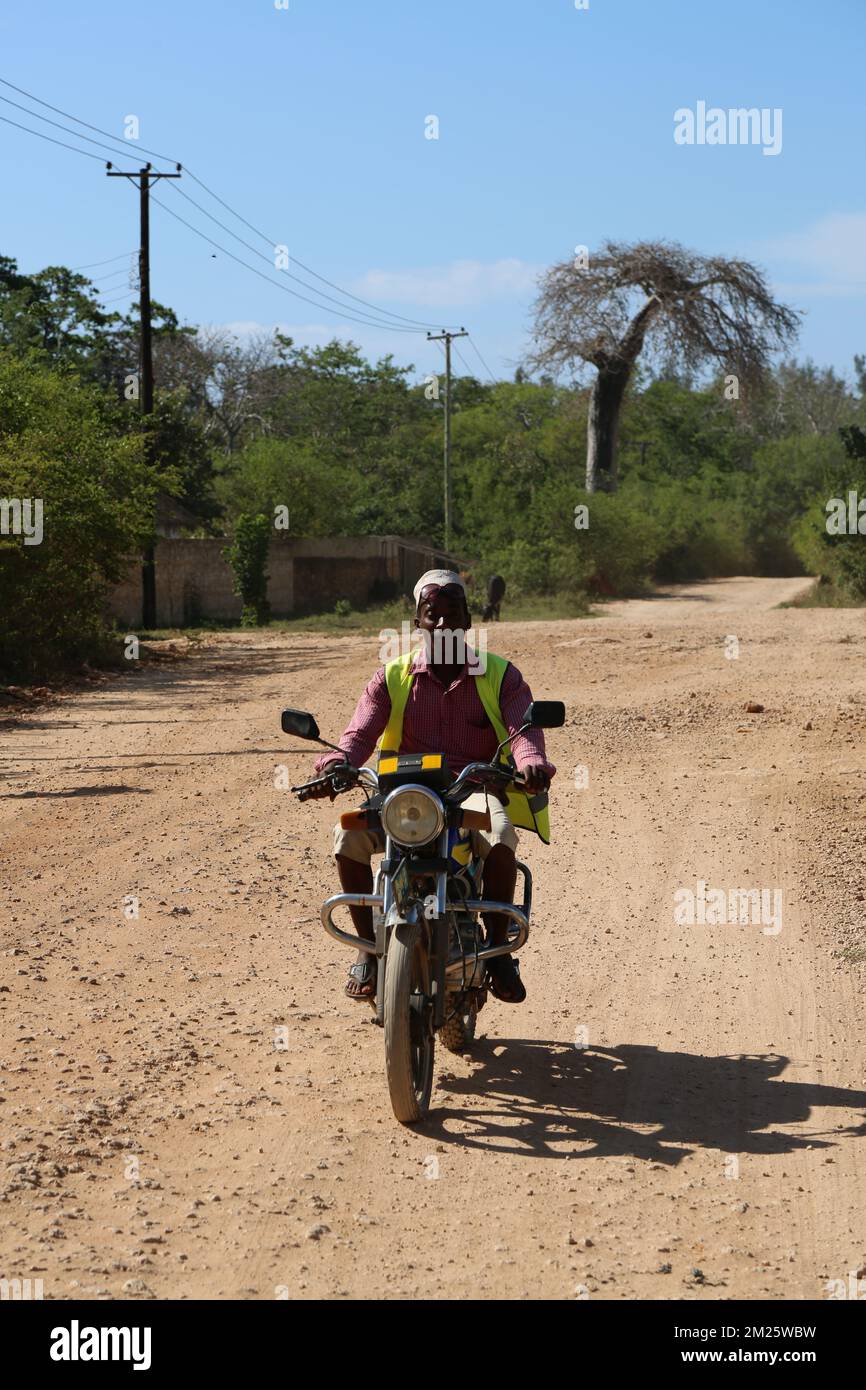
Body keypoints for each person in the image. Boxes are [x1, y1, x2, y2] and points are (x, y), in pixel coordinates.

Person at [306, 569, 555, 1004]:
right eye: (432, 614)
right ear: (418, 622)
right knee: (347, 835)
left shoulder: (501, 675)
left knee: (501, 836)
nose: (442, 624)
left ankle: (498, 955)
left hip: (470, 788)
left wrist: (531, 764)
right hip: (406, 792)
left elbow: (523, 730)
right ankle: (368, 951)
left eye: (452, 614)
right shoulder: (392, 676)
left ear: (468, 620)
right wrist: (338, 763)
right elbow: (359, 734)